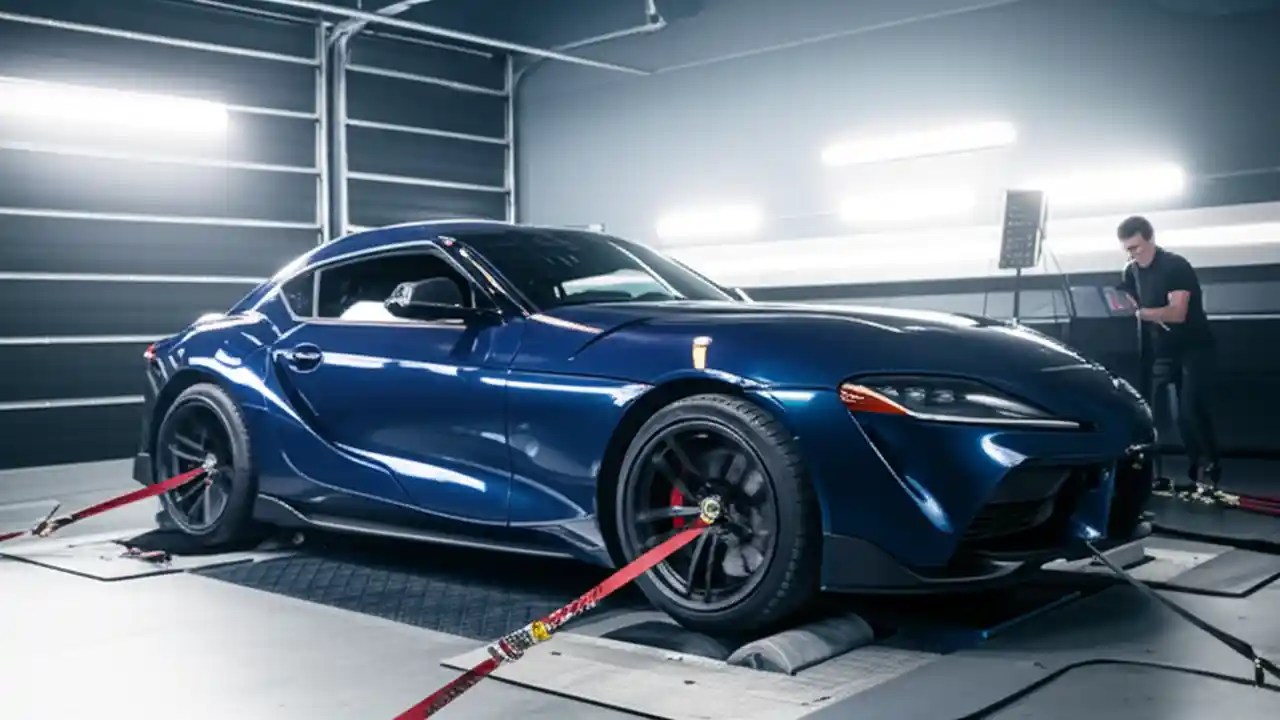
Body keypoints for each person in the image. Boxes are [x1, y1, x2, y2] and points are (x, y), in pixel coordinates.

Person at [1116, 215, 1220, 491]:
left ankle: (1207, 471)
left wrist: (1143, 313)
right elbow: (1126, 299)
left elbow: (1177, 312)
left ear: (1150, 240)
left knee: (1190, 411)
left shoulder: (1175, 266)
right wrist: (1132, 308)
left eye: (1136, 247)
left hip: (1194, 346)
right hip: (1162, 349)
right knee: (1161, 414)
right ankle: (1163, 474)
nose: (1132, 253)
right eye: (1127, 248)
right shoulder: (1131, 271)